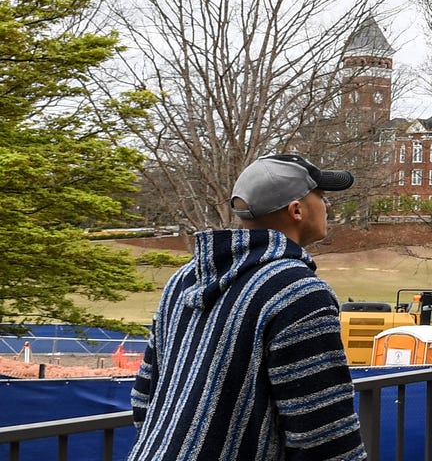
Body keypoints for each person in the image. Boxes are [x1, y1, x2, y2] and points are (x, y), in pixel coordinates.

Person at [129, 154, 366, 461]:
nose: (327, 205)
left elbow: (143, 398)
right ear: (297, 210)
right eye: (320, 196)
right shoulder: (299, 292)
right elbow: (324, 433)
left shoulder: (185, 278)